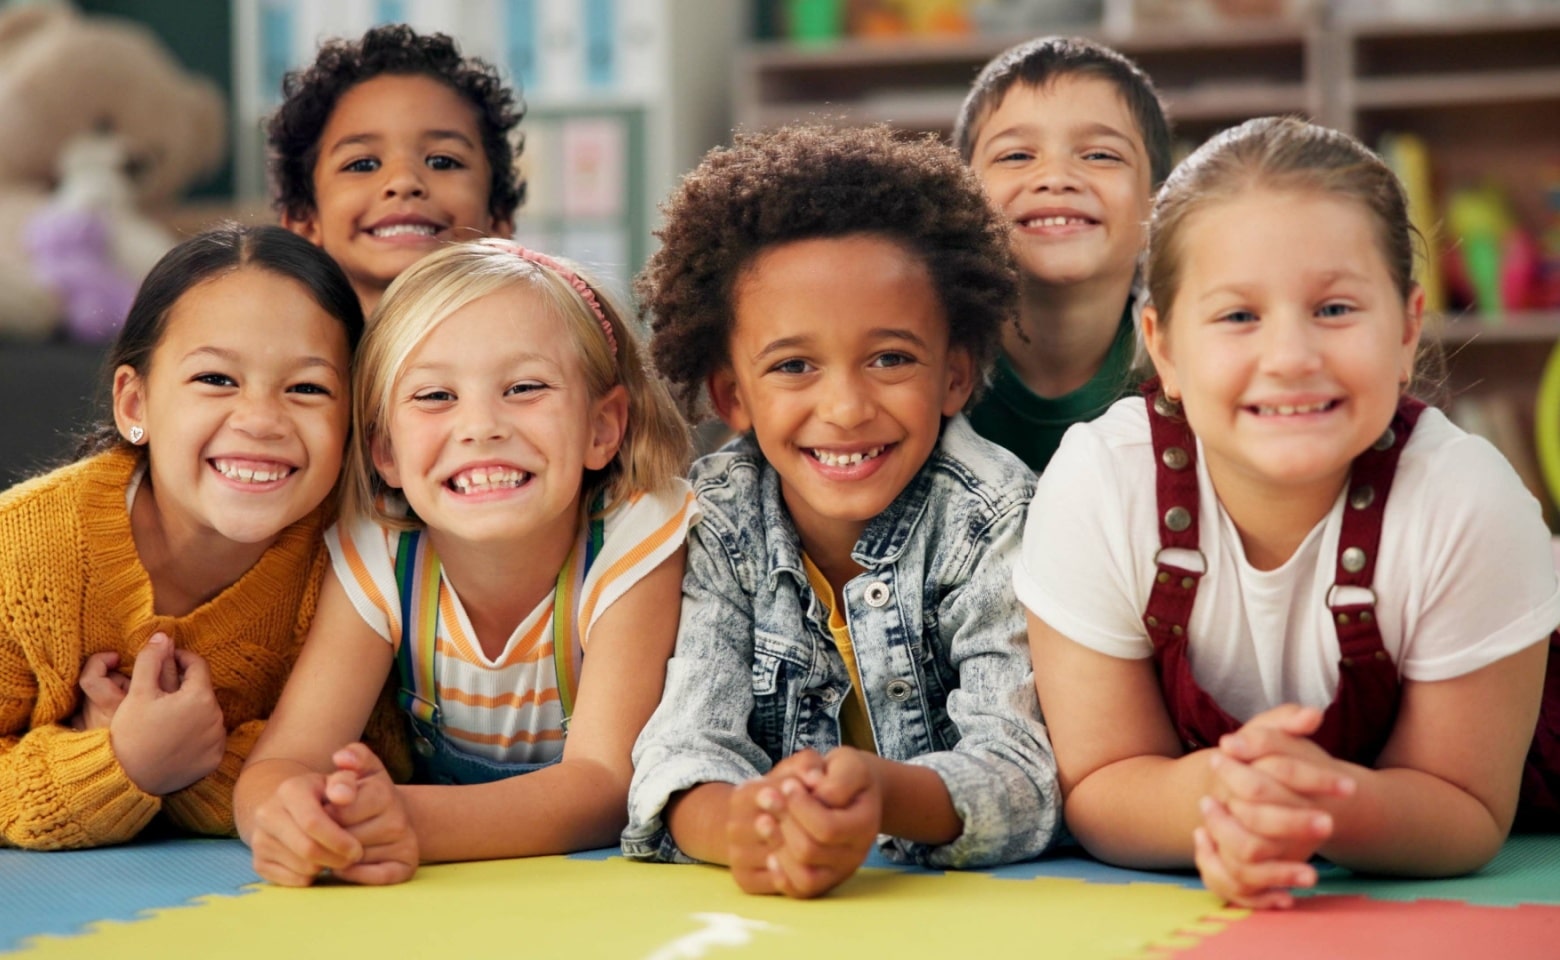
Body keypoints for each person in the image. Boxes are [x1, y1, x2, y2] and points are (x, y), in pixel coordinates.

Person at [1017, 116, 1560, 910]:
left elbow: (1467, 806)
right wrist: (1222, 806)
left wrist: (1316, 804)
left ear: (1408, 329)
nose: (1292, 357)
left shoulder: (1466, 501)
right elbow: (1102, 780)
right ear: (1163, 347)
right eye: (1239, 316)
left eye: (1335, 309)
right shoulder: (1101, 485)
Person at [623, 124, 1059, 899]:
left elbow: (1022, 773)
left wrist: (882, 796)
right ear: (731, 397)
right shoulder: (718, 521)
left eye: (890, 358)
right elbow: (683, 749)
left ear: (955, 377)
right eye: (793, 366)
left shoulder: (994, 516)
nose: (847, 407)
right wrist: (748, 826)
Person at [235, 239, 695, 886]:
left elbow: (605, 784)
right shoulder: (381, 551)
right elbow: (283, 762)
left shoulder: (635, 535)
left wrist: (408, 821)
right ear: (385, 451)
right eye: (434, 397)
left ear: (602, 428)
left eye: (526, 387)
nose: (481, 426)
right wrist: (285, 820)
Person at [0, 224, 364, 850]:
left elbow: (377, 756)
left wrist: (191, 761)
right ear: (135, 405)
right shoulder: (23, 548)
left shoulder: (355, 558)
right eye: (216, 379)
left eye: (308, 388)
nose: (260, 420)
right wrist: (121, 759)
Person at [954, 36, 1171, 471]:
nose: (1056, 177)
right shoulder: (922, 367)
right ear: (961, 200)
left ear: (1158, 208)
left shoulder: (1190, 371)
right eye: (1016, 155)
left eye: (1100, 155)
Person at [268, 23, 523, 314]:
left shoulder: (546, 352)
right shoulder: (278, 355)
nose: (403, 181)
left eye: (442, 162)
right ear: (306, 221)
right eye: (363, 165)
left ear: (499, 217)